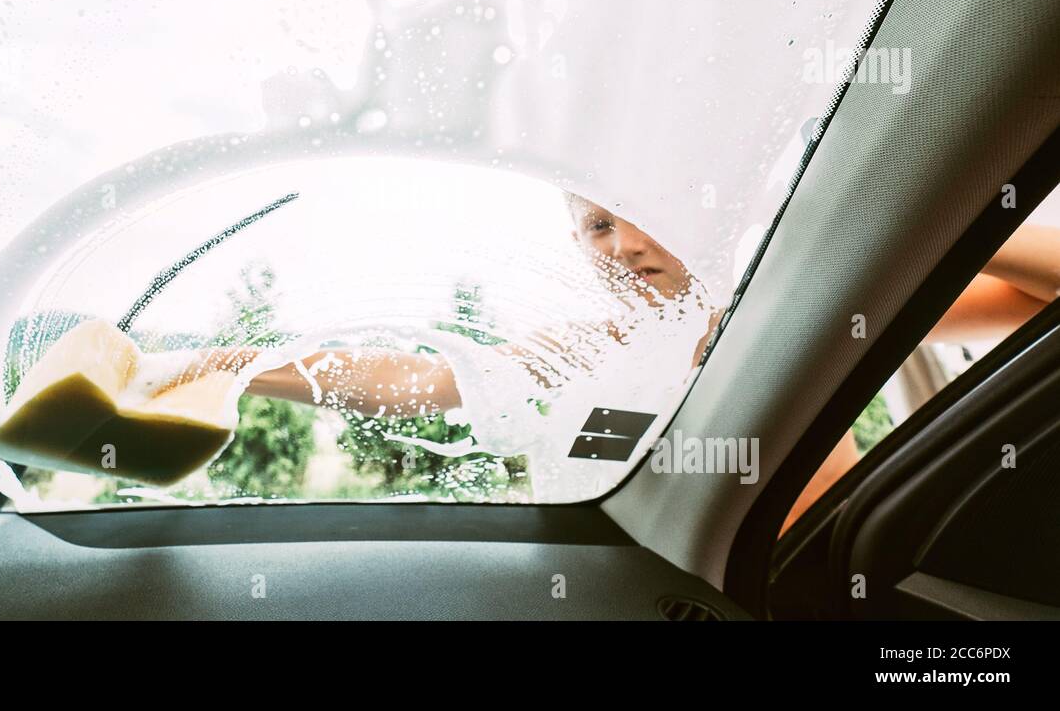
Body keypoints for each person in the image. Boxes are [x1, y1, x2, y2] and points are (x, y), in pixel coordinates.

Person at [161, 196, 1059, 514]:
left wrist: (862, 234)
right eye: (594, 223)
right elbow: (435, 382)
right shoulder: (596, 343)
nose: (623, 242)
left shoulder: (807, 300)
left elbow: (1039, 285)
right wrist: (236, 363)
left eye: (643, 212)